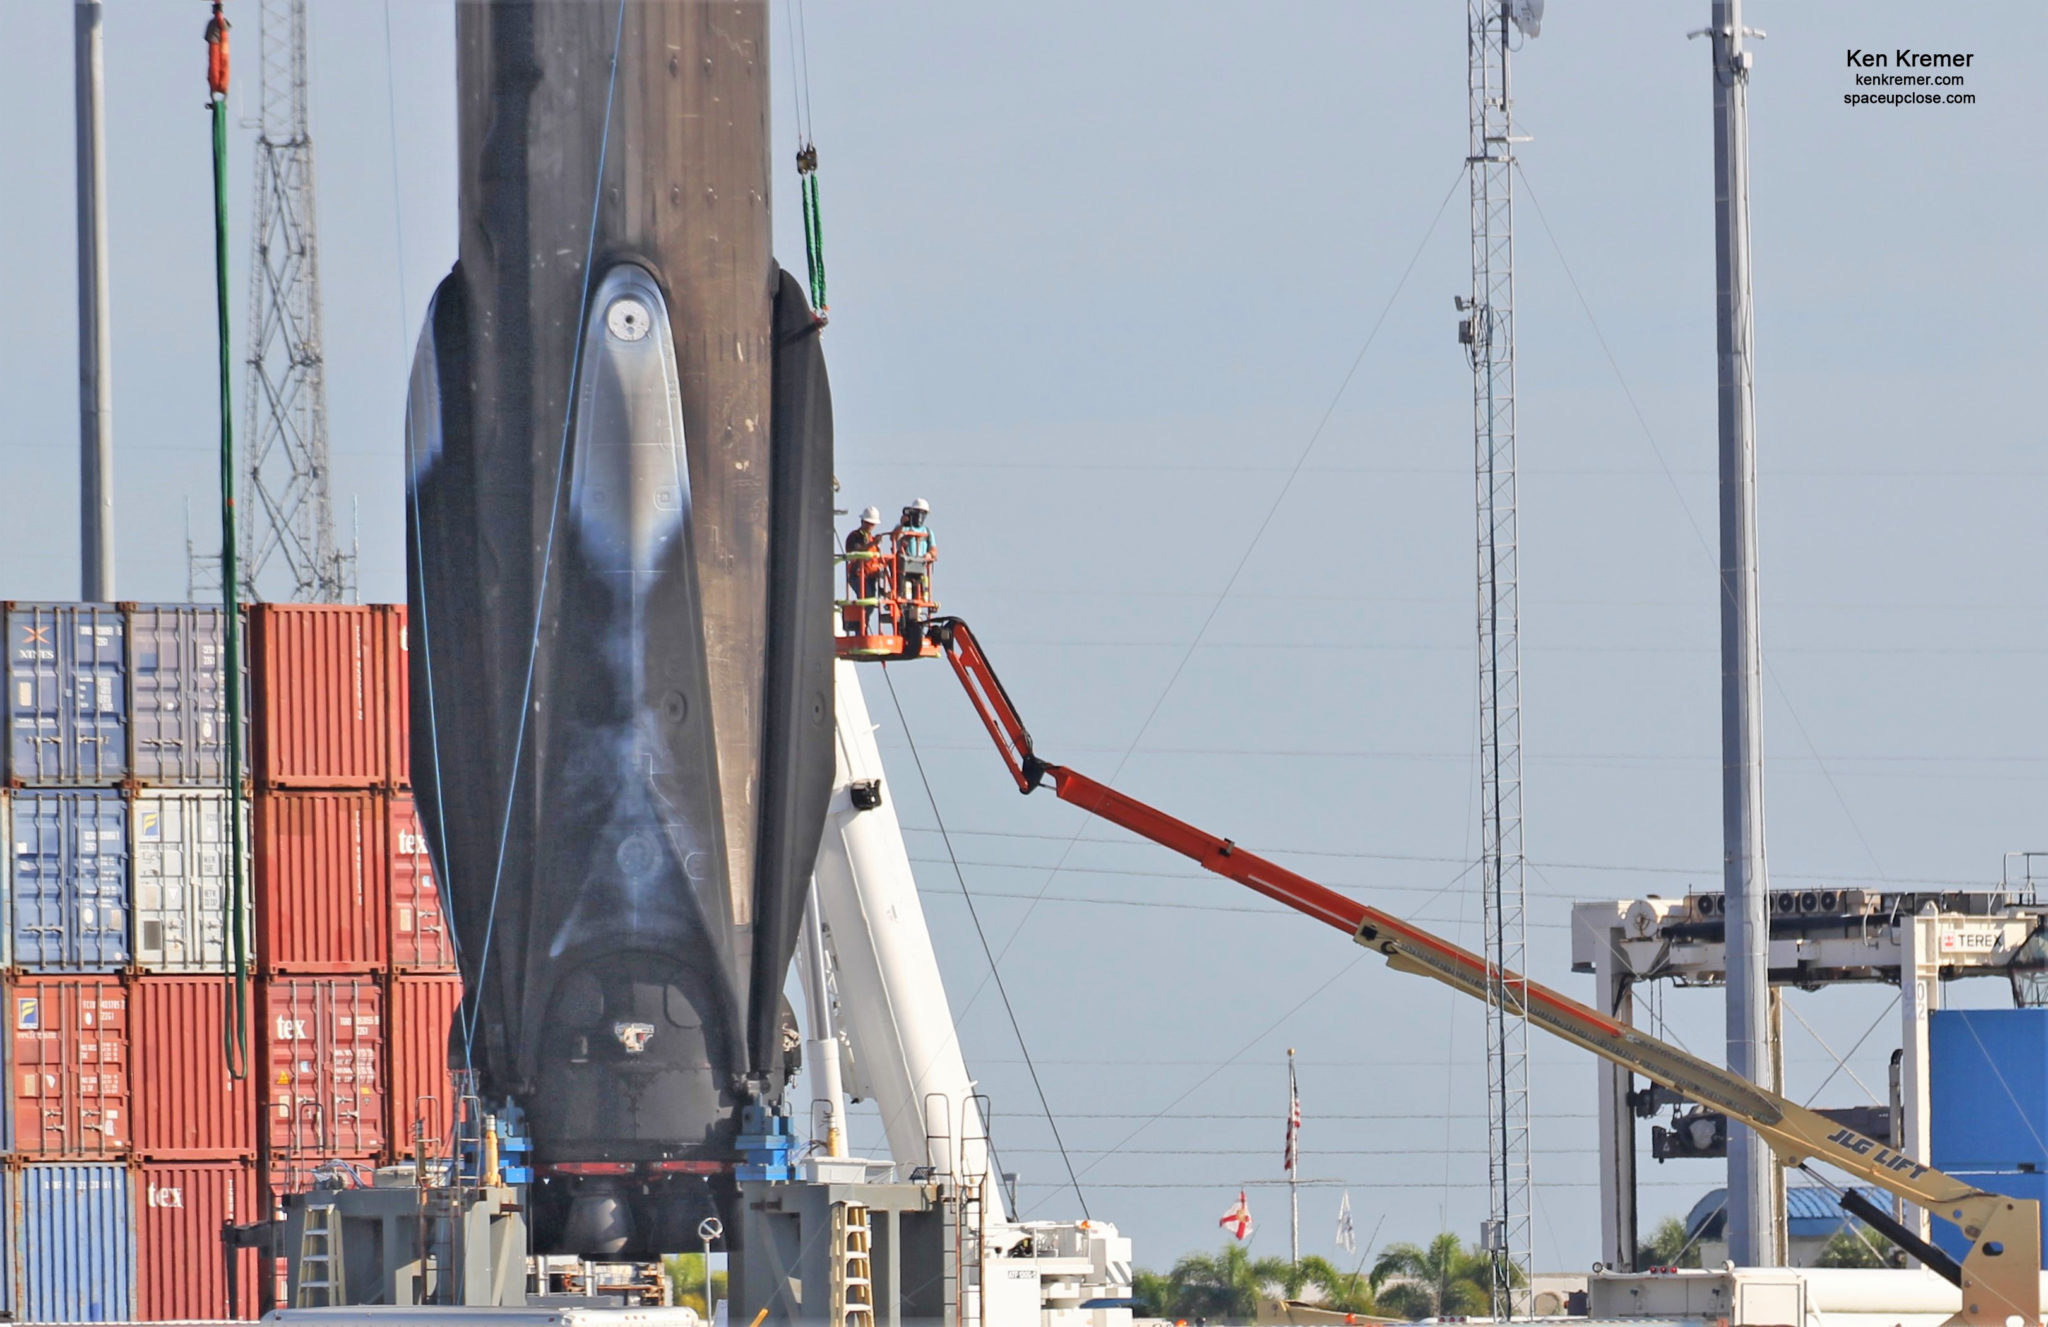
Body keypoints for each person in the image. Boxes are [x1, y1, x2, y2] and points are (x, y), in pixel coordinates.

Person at [843, 506, 887, 635]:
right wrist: (872, 545)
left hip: (870, 576)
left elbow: (875, 559)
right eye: (869, 523)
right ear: (863, 522)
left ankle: (862, 628)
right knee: (866, 600)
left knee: (870, 603)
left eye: (873, 524)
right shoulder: (854, 536)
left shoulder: (872, 539)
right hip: (857, 575)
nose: (871, 526)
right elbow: (856, 551)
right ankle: (860, 631)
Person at [893, 499, 935, 623]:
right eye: (917, 513)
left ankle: (916, 621)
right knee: (905, 595)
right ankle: (903, 620)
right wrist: (903, 525)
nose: (920, 517)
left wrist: (929, 555)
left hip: (920, 569)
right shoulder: (904, 528)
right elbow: (894, 538)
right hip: (904, 569)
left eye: (923, 514)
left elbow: (934, 550)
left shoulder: (927, 532)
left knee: (919, 596)